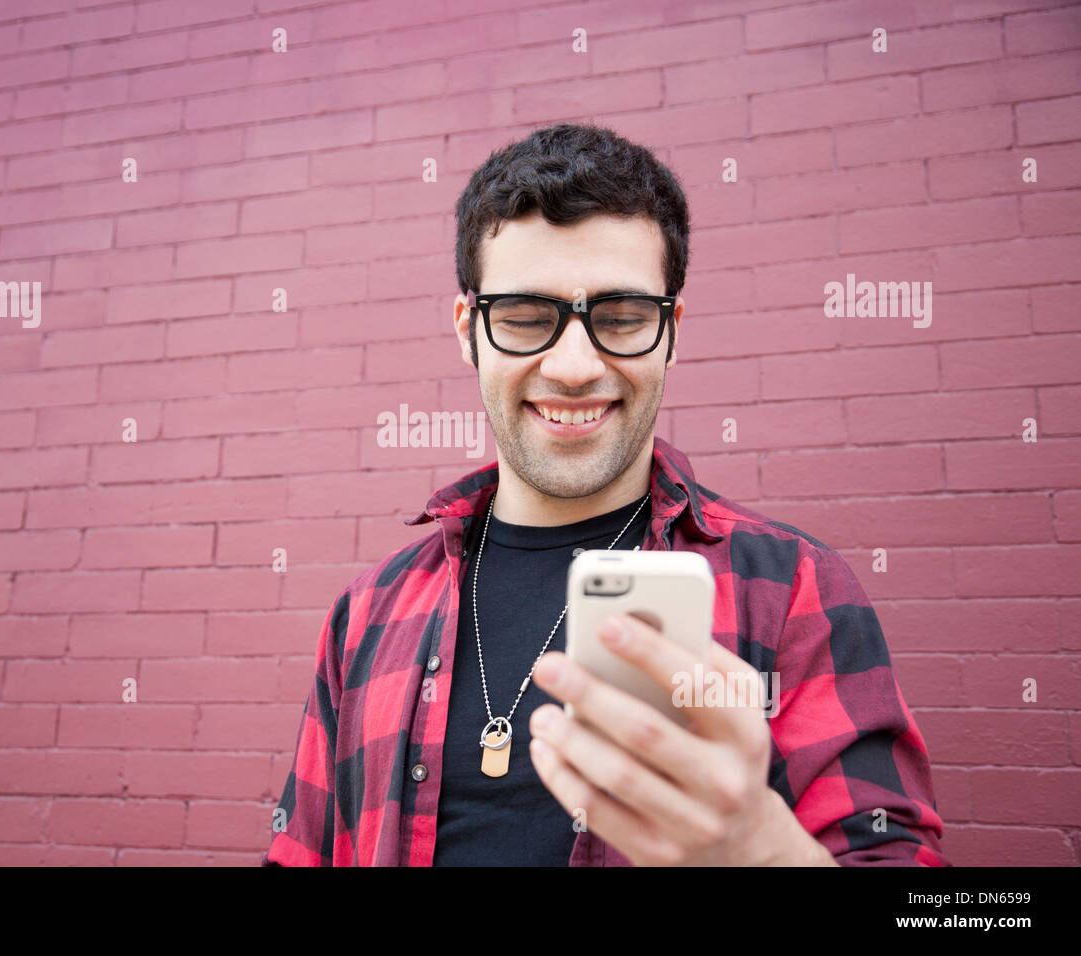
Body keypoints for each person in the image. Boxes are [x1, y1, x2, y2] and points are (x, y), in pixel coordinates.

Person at [261, 123, 949, 866]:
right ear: (468, 331)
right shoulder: (365, 617)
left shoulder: (791, 591)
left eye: (621, 318)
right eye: (526, 318)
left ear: (672, 333)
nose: (576, 365)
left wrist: (762, 851)